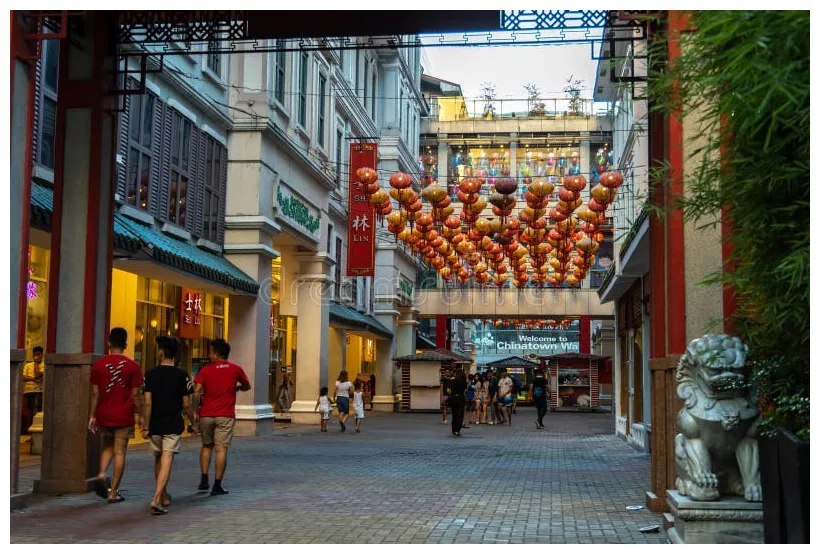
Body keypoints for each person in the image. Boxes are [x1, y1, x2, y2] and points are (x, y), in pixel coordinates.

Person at [142, 336, 197, 515]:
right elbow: (187, 404)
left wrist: (145, 425)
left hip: (156, 423)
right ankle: (157, 498)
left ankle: (163, 495)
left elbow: (147, 403)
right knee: (167, 458)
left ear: (161, 353)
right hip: (173, 422)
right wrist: (194, 422)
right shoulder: (182, 375)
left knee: (158, 459)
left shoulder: (150, 374)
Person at [88, 328, 144, 503]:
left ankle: (102, 473)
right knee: (120, 452)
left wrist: (92, 415)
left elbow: (95, 394)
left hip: (104, 413)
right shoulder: (133, 366)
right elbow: (136, 394)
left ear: (109, 343)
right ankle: (113, 493)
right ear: (126, 345)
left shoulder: (97, 366)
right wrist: (141, 414)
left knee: (108, 447)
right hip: (123, 415)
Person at [193, 339, 250, 496]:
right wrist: (237, 388)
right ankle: (217, 485)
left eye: (211, 352)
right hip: (225, 415)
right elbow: (247, 386)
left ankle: (204, 478)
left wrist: (195, 411)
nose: (209, 355)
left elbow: (196, 391)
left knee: (206, 446)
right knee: (221, 449)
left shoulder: (205, 370)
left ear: (217, 354)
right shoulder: (236, 369)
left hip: (206, 414)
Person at [22, 346, 44, 433]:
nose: (37, 356)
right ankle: (29, 432)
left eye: (38, 354)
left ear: (42, 355)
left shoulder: (43, 365)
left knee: (36, 410)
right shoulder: (28, 365)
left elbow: (38, 374)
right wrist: (33, 379)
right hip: (28, 391)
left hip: (38, 391)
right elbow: (24, 377)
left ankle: (34, 432)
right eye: (35, 355)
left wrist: (35, 364)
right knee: (29, 412)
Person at [449, 367, 467, 436]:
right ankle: (457, 430)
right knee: (460, 415)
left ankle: (453, 430)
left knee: (454, 414)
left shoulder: (452, 380)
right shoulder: (464, 381)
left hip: (454, 398)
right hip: (461, 398)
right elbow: (465, 391)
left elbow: (449, 390)